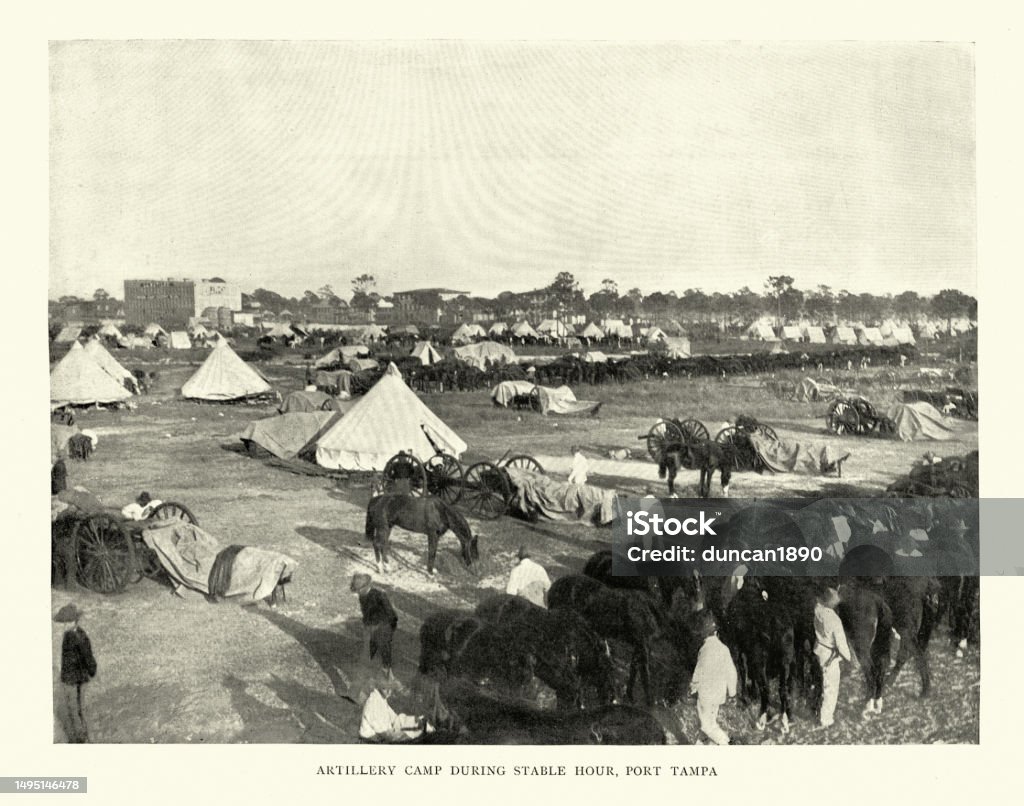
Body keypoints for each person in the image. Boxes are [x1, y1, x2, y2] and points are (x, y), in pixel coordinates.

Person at [689, 611, 737, 745]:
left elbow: (698, 671)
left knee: (707, 726)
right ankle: (699, 745)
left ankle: (726, 743)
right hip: (718, 695)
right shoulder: (724, 648)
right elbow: (731, 672)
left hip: (706, 695)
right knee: (708, 721)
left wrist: (693, 687)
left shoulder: (704, 649)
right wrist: (732, 691)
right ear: (716, 632)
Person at [55, 603, 97, 743]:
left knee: (77, 708)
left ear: (73, 622)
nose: (62, 626)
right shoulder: (69, 635)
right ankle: (80, 735)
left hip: (76, 679)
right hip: (71, 677)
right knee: (74, 707)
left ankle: (81, 737)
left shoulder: (79, 637)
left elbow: (88, 656)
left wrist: (91, 670)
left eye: (64, 623)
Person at [813, 584, 852, 727]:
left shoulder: (817, 610)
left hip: (819, 648)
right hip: (830, 654)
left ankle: (816, 707)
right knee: (831, 686)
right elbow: (841, 644)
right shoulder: (834, 620)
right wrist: (849, 658)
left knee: (821, 682)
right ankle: (826, 719)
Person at [351, 573, 398, 678]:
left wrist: (389, 629)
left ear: (366, 586)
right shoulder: (362, 596)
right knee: (369, 651)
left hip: (383, 628)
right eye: (356, 590)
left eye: (359, 590)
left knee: (385, 652)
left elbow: (392, 615)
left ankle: (388, 677)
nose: (357, 592)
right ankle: (368, 675)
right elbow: (366, 612)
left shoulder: (380, 596)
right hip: (371, 628)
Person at [358, 677, 430, 743]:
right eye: (385, 688)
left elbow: (395, 719)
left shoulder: (381, 699)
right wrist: (413, 733)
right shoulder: (374, 702)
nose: (389, 692)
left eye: (391, 689)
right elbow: (387, 735)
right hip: (371, 741)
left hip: (382, 736)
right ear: (378, 687)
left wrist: (414, 721)